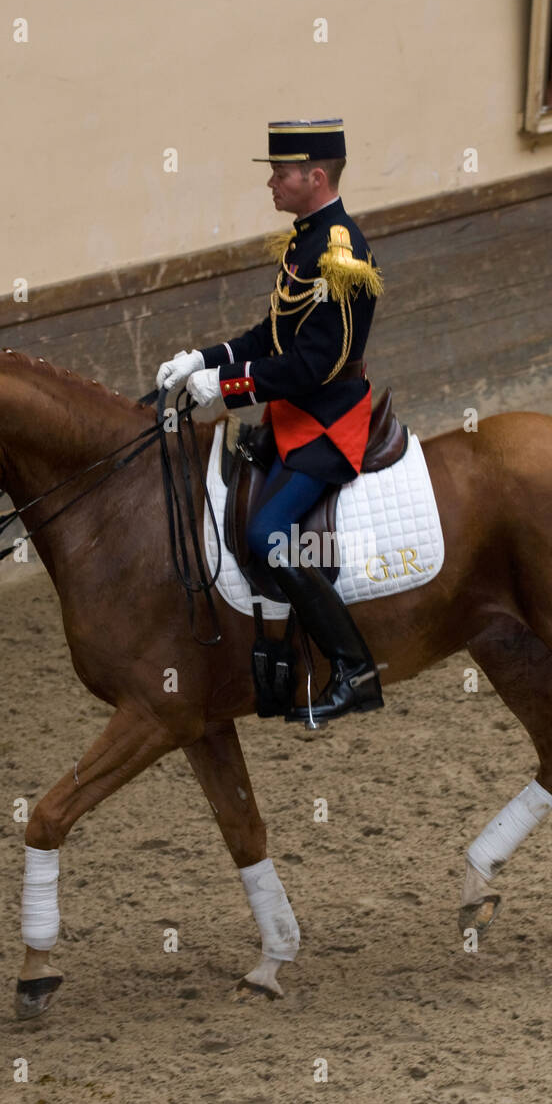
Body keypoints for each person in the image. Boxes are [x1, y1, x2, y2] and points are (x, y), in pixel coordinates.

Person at [157, 118, 384, 722]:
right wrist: (201, 360)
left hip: (329, 423)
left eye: (280, 173)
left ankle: (354, 669)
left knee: (267, 536)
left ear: (315, 176)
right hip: (293, 415)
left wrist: (228, 388)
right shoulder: (306, 240)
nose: (272, 184)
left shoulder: (340, 252)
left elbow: (318, 364)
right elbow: (270, 335)